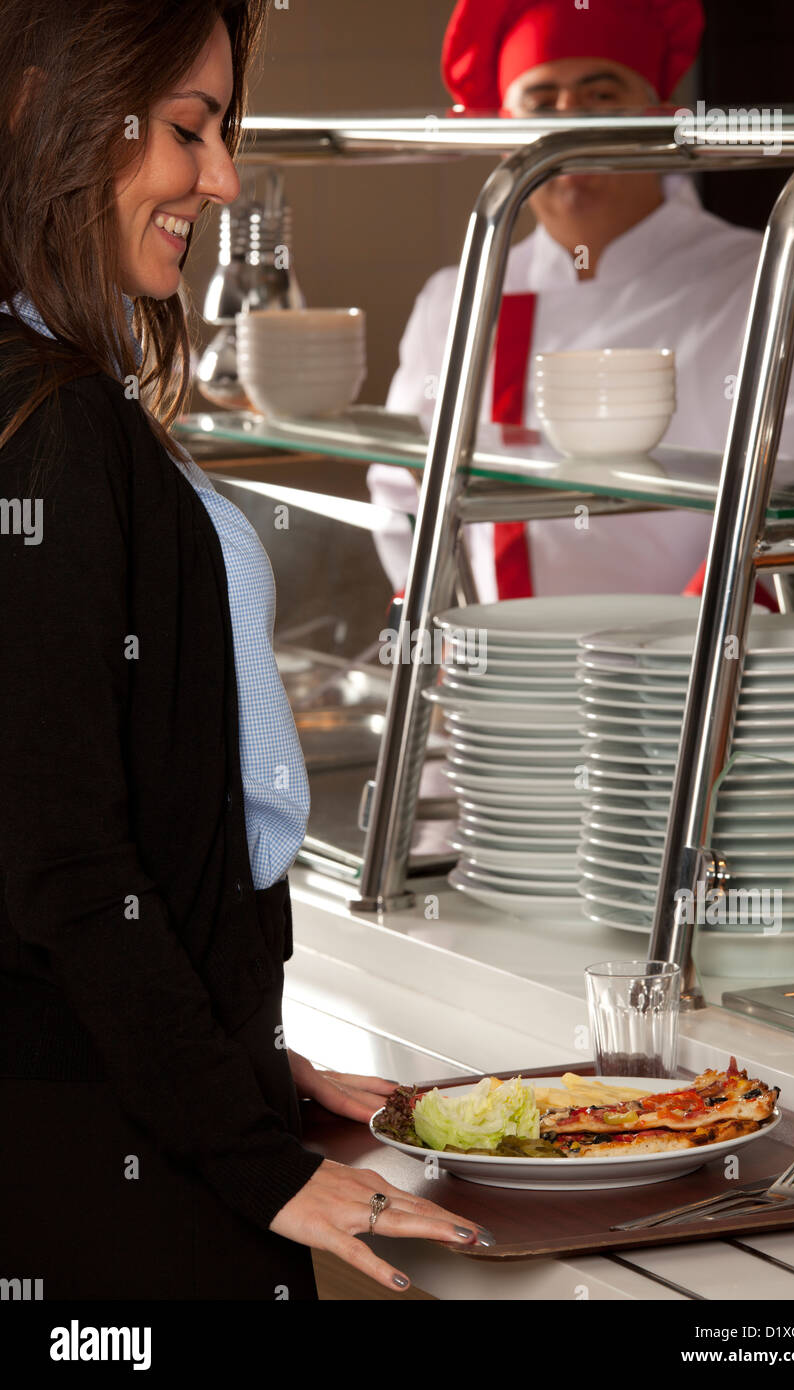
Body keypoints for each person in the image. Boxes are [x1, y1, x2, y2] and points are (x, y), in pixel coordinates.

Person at [0, 0, 492, 1301]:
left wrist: (243, 1068)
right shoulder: (51, 427)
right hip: (102, 1170)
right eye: (185, 130)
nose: (218, 178)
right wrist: (248, 1152)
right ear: (40, 109)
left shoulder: (52, 390)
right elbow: (62, 861)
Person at [368, 0, 794, 605]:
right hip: (498, 672)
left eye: (601, 97)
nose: (575, 128)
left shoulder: (770, 279)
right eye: (542, 103)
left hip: (697, 674)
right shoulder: (453, 297)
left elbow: (785, 507)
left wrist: (679, 661)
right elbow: (402, 492)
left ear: (662, 119)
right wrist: (452, 639)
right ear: (503, 137)